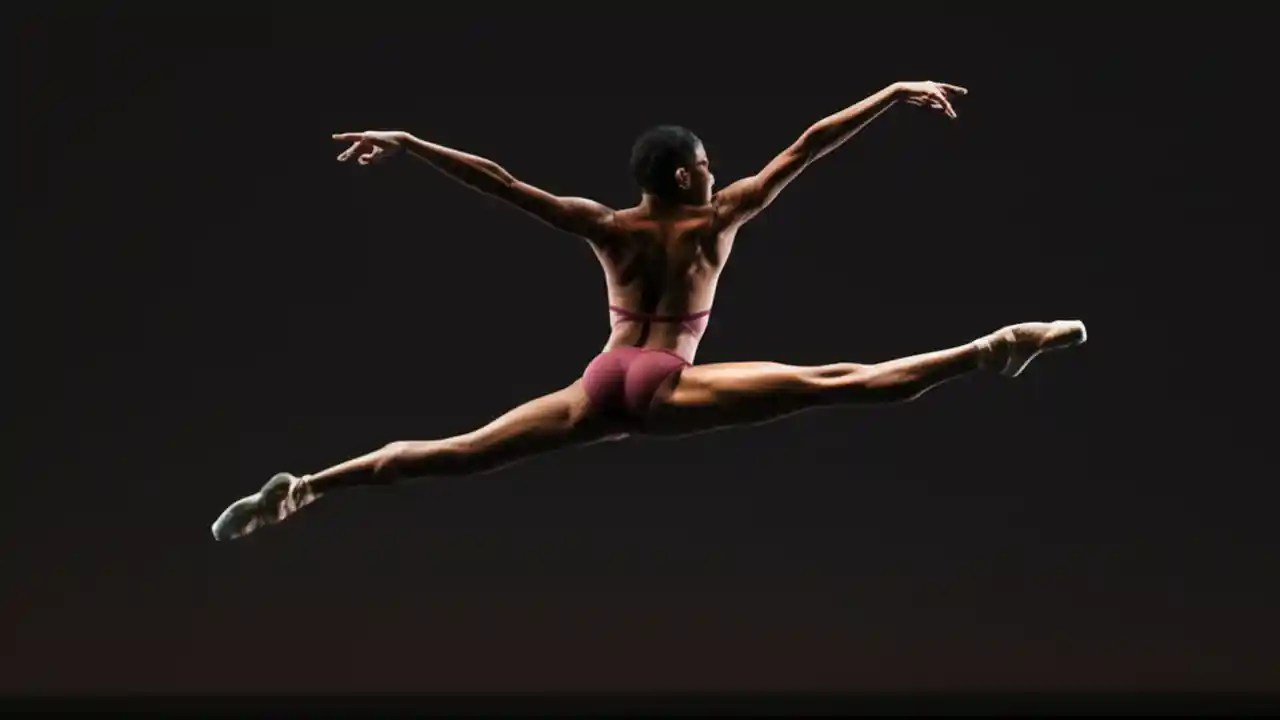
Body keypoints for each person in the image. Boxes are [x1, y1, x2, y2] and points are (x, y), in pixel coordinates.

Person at [211, 80, 1085, 542]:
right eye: (705, 161)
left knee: (457, 454)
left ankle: (306, 491)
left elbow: (502, 183)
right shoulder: (719, 214)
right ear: (685, 176)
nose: (716, 166)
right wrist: (891, 95)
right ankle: (991, 349)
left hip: (602, 381)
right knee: (837, 381)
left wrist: (410, 144)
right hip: (665, 382)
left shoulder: (605, 226)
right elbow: (809, 145)